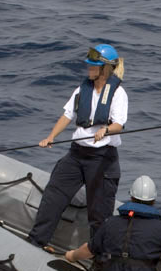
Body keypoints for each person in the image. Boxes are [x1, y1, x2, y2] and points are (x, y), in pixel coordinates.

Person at [28, 43, 129, 248]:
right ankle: (36, 241)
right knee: (53, 196)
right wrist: (51, 137)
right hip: (76, 155)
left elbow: (118, 124)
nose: (89, 69)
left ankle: (101, 259)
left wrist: (106, 130)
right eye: (89, 65)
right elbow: (67, 115)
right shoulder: (82, 89)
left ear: (105, 69)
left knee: (99, 213)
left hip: (102, 159)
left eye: (93, 66)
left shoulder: (118, 94)